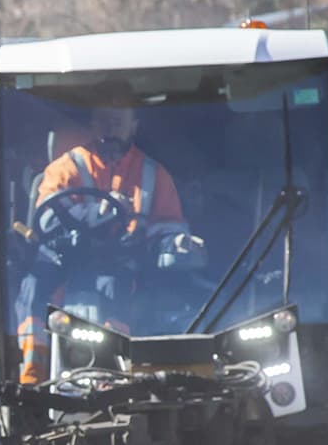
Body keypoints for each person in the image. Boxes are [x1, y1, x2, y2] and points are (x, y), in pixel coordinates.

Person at [15, 97, 200, 383]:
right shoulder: (68, 166)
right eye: (104, 120)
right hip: (64, 257)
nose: (110, 128)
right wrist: (94, 214)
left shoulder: (153, 175)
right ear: (92, 124)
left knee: (114, 293)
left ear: (133, 127)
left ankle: (111, 370)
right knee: (32, 287)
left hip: (119, 262)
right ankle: (33, 368)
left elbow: (167, 226)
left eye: (118, 122)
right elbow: (47, 216)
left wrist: (175, 243)